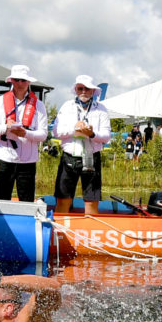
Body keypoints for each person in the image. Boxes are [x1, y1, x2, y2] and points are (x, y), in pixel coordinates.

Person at [0, 65, 47, 201]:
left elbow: (43, 134)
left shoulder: (38, 105)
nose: (20, 83)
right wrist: (6, 127)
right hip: (5, 158)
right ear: (11, 81)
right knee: (1, 198)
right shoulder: (0, 101)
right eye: (16, 80)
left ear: (29, 82)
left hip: (28, 161)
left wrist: (25, 133)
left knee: (27, 200)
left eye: (23, 80)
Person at [53, 74, 112, 216]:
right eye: (80, 88)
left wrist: (92, 134)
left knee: (91, 201)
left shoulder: (101, 109)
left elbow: (106, 136)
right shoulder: (67, 106)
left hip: (91, 157)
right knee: (63, 199)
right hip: (69, 157)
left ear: (93, 91)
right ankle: (59, 231)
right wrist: (75, 129)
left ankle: (90, 232)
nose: (83, 91)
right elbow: (56, 132)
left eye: (87, 88)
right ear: (76, 90)